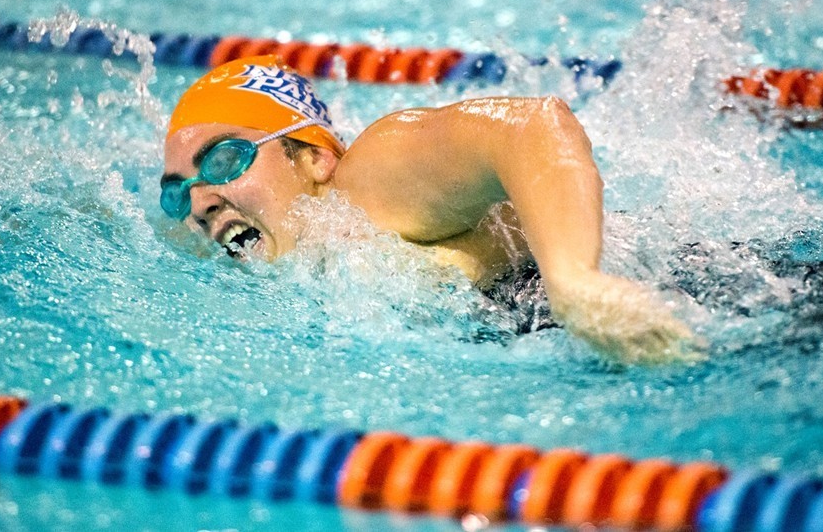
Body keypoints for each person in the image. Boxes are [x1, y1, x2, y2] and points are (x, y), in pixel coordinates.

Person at [161, 55, 699, 363]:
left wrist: (575, 281)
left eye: (225, 160)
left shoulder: (363, 185)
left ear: (315, 157)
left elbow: (528, 125)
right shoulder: (294, 263)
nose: (201, 202)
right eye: (178, 191)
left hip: (679, 296)